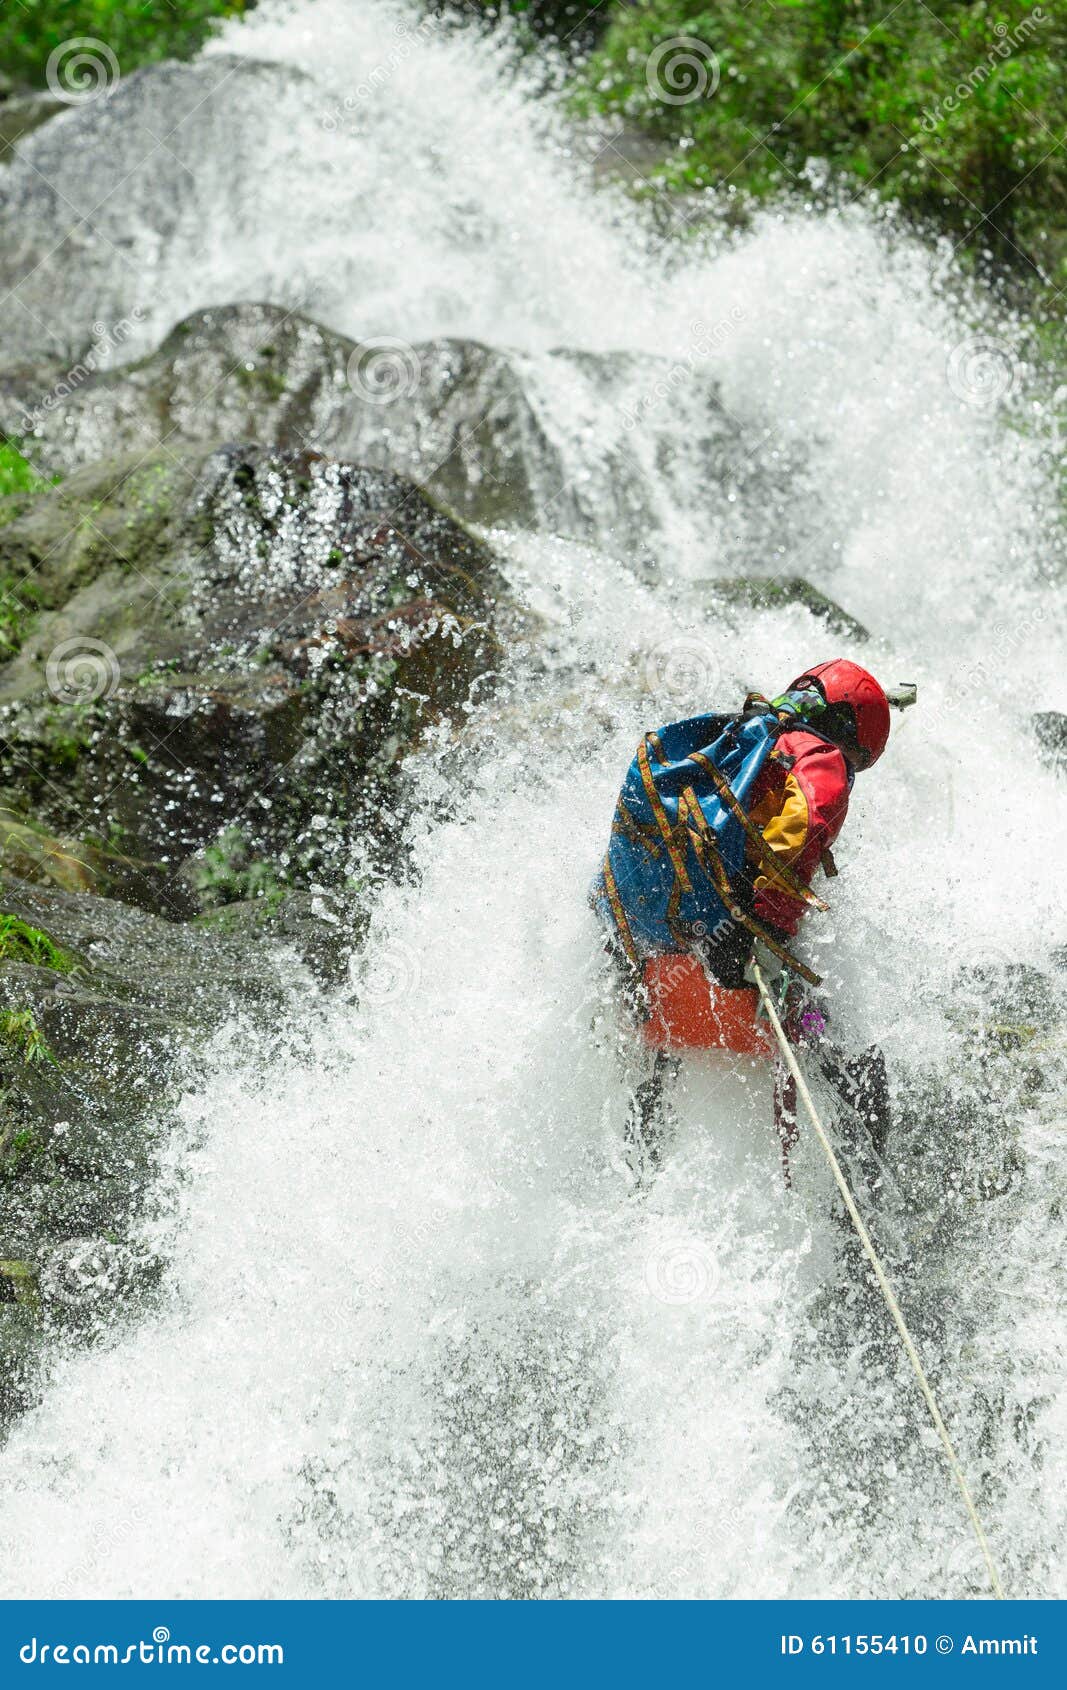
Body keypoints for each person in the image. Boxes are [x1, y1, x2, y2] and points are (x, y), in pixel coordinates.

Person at [597, 660, 897, 1181]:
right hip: (738, 978)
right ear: (850, 739)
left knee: (649, 1084)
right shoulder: (819, 756)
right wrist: (762, 926)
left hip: (644, 974)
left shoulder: (737, 739)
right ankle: (865, 1206)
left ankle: (635, 1178)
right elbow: (806, 817)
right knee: (855, 1056)